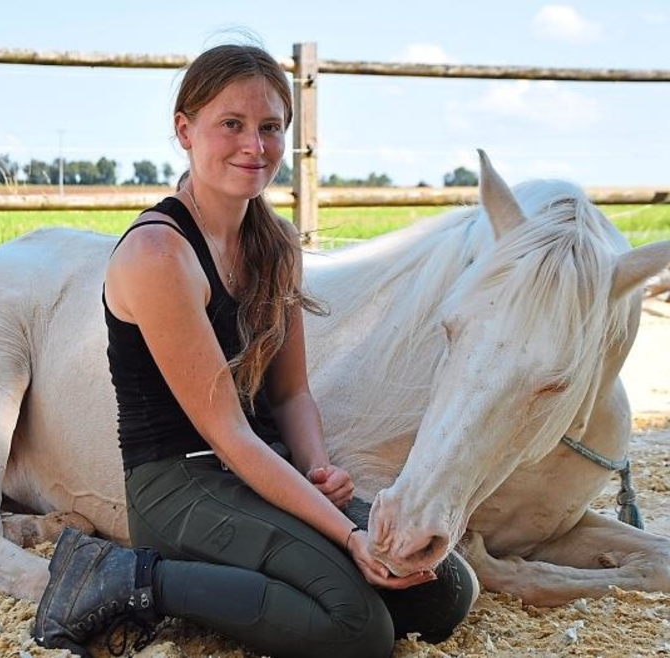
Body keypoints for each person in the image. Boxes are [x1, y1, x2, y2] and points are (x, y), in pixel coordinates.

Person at [34, 42, 475, 658]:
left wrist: (319, 472)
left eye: (270, 128)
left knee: (445, 590)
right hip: (180, 482)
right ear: (184, 131)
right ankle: (129, 578)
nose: (255, 146)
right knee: (359, 631)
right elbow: (227, 436)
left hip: (258, 471)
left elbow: (291, 392)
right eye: (231, 125)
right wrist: (348, 537)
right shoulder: (159, 254)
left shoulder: (276, 243)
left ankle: (264, 578)